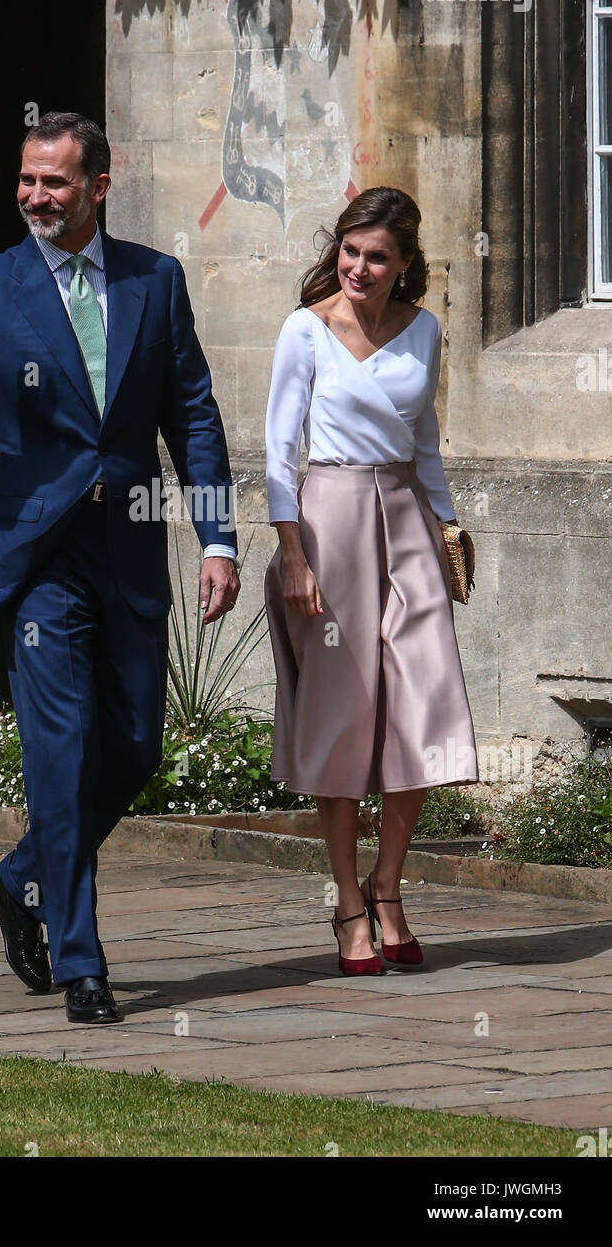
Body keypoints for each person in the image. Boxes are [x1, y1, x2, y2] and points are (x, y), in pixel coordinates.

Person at [0, 111, 239, 1023]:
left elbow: (191, 415)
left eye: (56, 182)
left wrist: (218, 537)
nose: (37, 196)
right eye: (27, 180)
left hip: (127, 547)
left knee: (134, 748)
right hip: (36, 555)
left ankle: (16, 878)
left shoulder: (154, 281)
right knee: (60, 751)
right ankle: (83, 965)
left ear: (98, 187)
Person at [263, 186, 477, 976]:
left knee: (426, 702)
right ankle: (348, 904)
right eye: (350, 251)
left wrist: (449, 529)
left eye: (376, 256)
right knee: (342, 715)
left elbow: (423, 442)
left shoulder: (424, 332)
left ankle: (389, 886)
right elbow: (278, 449)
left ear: (404, 264)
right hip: (329, 520)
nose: (359, 267)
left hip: (408, 519)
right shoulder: (304, 330)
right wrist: (293, 555)